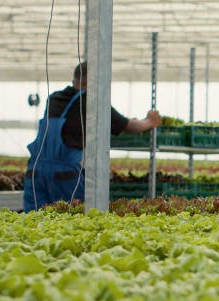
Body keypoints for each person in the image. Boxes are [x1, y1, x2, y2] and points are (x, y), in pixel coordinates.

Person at [23, 62, 161, 211]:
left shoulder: (54, 98)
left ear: (73, 81)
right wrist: (150, 121)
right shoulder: (92, 102)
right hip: (64, 176)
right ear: (96, 83)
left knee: (36, 221)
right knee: (72, 222)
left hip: (35, 172)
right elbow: (129, 126)